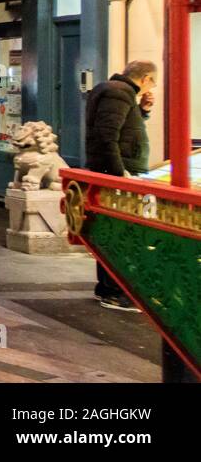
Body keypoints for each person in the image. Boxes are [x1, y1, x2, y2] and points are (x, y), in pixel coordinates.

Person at [84, 60, 156, 311]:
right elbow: (107, 136)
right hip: (119, 174)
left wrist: (143, 111)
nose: (152, 87)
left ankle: (108, 288)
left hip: (117, 171)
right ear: (146, 78)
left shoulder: (118, 93)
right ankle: (114, 292)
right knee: (119, 234)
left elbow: (121, 130)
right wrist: (119, 174)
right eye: (153, 81)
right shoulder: (119, 92)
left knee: (111, 231)